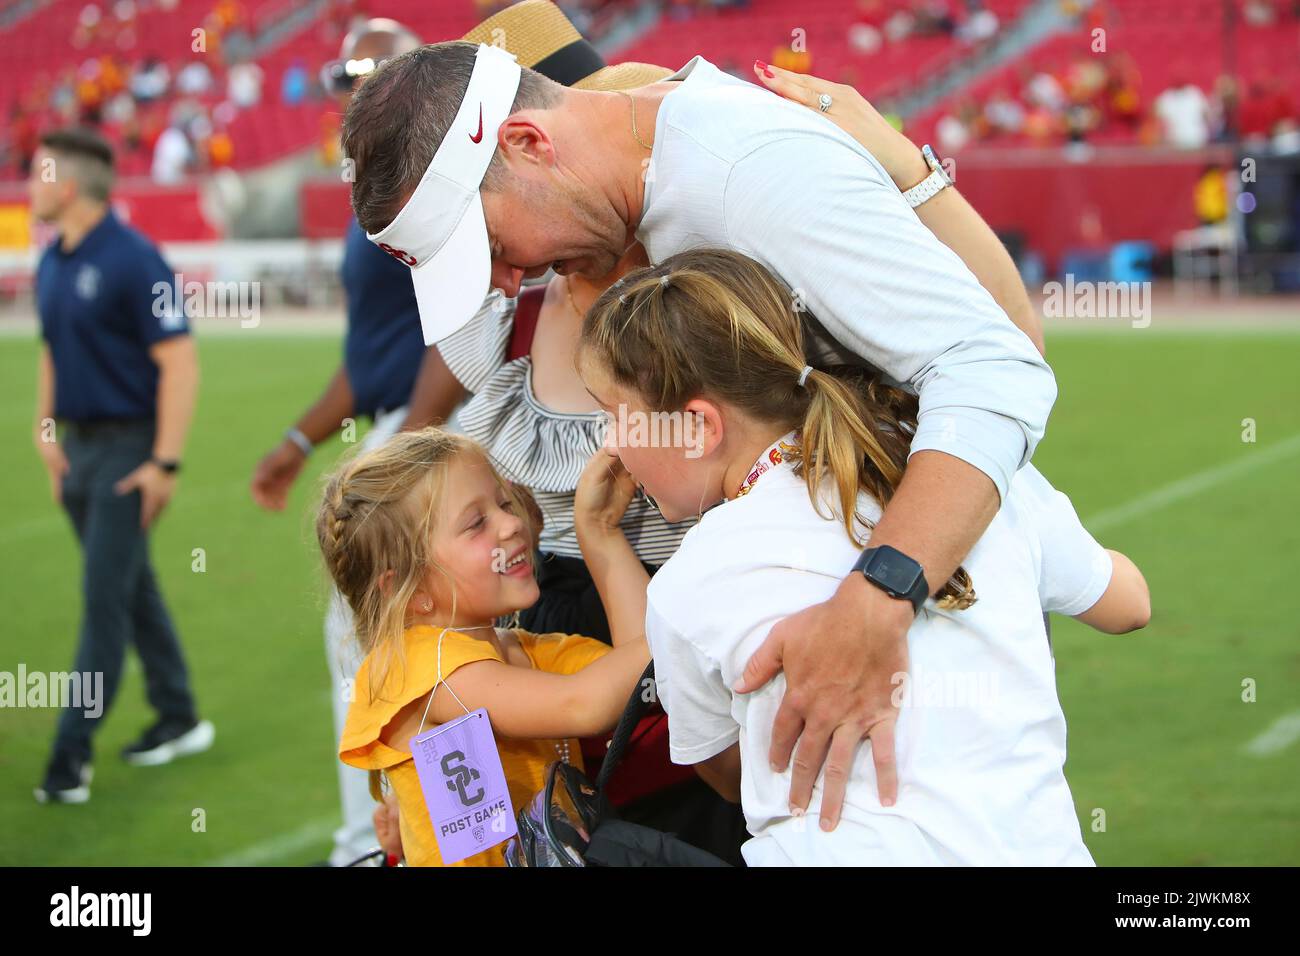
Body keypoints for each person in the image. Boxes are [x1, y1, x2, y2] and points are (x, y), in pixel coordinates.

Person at [341, 42, 1057, 826]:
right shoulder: (654, 185)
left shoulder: (746, 176)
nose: (508, 283)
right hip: (755, 633)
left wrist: (877, 597)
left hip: (850, 625)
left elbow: (997, 367)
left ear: (528, 143)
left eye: (495, 249)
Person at [574, 247, 1151, 862]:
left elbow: (729, 771)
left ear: (698, 426)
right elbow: (1128, 603)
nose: (613, 445)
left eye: (616, 417)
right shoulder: (970, 476)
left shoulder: (689, 581)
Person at [248, 18, 459, 867]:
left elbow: (463, 322)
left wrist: (404, 448)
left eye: (375, 68)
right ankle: (413, 835)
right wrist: (300, 439)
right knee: (389, 646)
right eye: (344, 70)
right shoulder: (378, 179)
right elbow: (369, 346)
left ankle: (405, 840)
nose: (353, 83)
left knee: (427, 645)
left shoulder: (424, 175)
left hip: (436, 437)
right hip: (404, 429)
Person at [317, 429, 651, 867]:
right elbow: (585, 703)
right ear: (409, 587)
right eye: (476, 523)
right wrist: (695, 610)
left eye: (504, 503)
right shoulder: (428, 669)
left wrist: (600, 529)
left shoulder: (524, 652)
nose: (512, 523)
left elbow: (640, 670)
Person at [30, 127, 209, 804]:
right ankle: (179, 713)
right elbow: (50, 352)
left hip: (128, 451)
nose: (33, 182)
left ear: (70, 185)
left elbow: (178, 362)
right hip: (76, 451)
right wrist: (47, 434)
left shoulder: (136, 260)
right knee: (130, 587)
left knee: (102, 600)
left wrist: (164, 461)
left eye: (42, 173)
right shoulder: (53, 260)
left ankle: (68, 757)